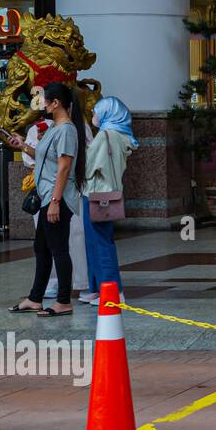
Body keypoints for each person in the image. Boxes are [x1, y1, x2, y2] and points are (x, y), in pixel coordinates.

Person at [7, 82, 86, 316]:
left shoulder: (66, 130)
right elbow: (46, 158)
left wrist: (55, 201)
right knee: (41, 247)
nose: (43, 105)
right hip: (47, 197)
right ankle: (35, 298)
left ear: (56, 103)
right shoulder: (54, 128)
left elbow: (64, 168)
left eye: (45, 101)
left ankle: (63, 301)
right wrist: (23, 146)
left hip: (56, 198)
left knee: (58, 248)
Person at [82, 96, 138, 303]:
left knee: (100, 243)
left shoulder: (105, 135)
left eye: (96, 111)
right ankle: (98, 288)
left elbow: (89, 167)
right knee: (98, 241)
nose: (93, 115)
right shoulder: (118, 135)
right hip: (106, 195)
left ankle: (112, 291)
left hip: (97, 195)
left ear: (107, 113)